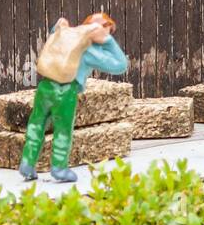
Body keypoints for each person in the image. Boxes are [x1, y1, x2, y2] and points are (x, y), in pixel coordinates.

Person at [19, 12, 128, 183]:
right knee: (62, 129)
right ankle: (59, 168)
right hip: (65, 91)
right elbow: (120, 65)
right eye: (108, 30)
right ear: (99, 29)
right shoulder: (88, 49)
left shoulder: (65, 35)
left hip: (45, 86)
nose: (109, 34)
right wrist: (108, 42)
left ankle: (27, 162)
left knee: (36, 123)